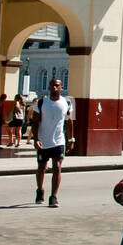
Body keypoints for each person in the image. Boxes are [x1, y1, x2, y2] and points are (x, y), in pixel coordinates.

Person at [31, 78, 74, 207]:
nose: (55, 88)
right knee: (42, 168)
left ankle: (54, 196)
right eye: (52, 86)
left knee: (57, 167)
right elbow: (35, 122)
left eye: (57, 86)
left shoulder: (66, 102)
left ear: (61, 88)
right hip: (44, 141)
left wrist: (71, 139)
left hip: (59, 141)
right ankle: (40, 190)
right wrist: (36, 139)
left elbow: (68, 122)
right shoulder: (41, 103)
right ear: (49, 88)